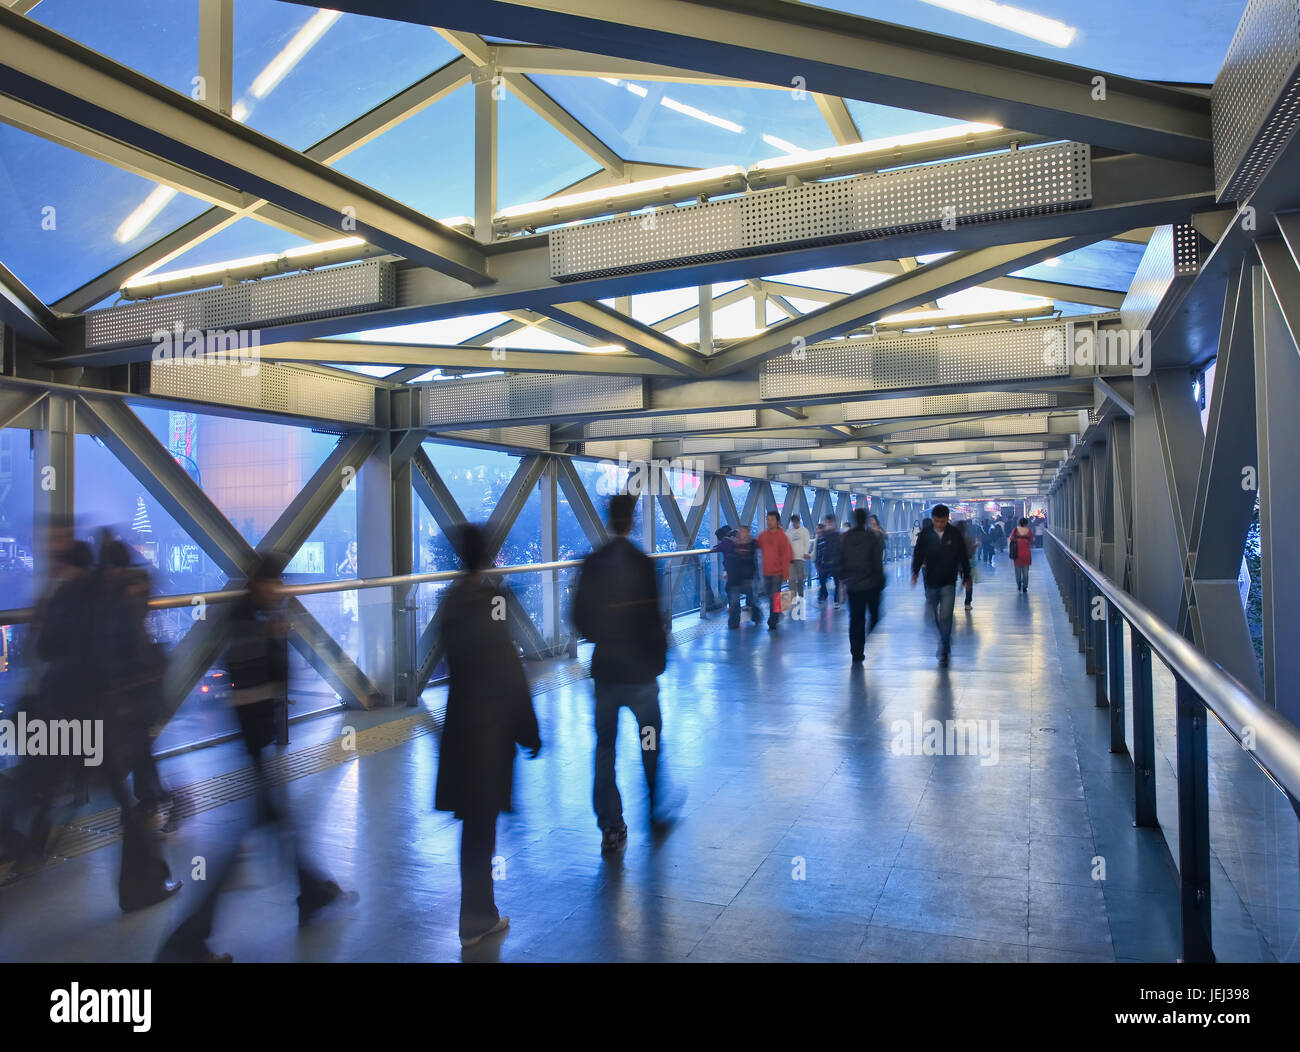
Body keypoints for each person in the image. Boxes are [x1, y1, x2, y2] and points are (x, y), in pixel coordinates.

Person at [158, 554, 352, 963]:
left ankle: (311, 889)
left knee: (277, 823)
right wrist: (278, 638)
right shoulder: (253, 621)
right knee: (246, 841)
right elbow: (265, 682)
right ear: (262, 583)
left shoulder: (252, 615)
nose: (279, 590)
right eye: (275, 582)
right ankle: (187, 940)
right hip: (251, 747)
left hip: (251, 746)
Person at [434, 524, 541, 947]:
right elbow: (508, 669)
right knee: (483, 824)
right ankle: (479, 916)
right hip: (490, 729)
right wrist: (527, 728)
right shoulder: (494, 599)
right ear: (491, 556)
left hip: (460, 724)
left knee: (473, 825)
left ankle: (475, 914)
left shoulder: (452, 599)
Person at [572, 494, 674, 852]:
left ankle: (611, 826)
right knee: (649, 739)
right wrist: (658, 659)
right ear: (631, 521)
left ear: (607, 520)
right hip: (641, 675)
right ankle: (653, 809)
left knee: (605, 749)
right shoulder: (642, 563)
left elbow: (578, 616)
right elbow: (654, 617)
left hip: (607, 675)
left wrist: (602, 637)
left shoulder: (592, 563)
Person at [911, 504, 971, 668]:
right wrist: (915, 572)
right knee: (933, 617)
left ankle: (944, 648)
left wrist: (966, 575)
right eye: (937, 521)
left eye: (942, 521)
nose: (939, 524)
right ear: (933, 520)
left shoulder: (954, 534)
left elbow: (962, 555)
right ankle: (945, 638)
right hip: (931, 582)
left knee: (946, 616)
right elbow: (918, 553)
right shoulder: (926, 534)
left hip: (948, 582)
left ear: (947, 519)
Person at [840, 508, 885, 663]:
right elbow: (877, 561)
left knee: (855, 618)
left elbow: (841, 559)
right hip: (871, 584)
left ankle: (856, 651)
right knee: (874, 615)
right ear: (865, 520)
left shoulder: (846, 538)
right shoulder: (871, 537)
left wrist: (843, 578)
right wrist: (880, 581)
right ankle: (865, 636)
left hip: (853, 585)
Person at [712, 524, 762, 629]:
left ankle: (744, 619)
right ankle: (737, 621)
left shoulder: (750, 543)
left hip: (744, 577)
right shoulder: (734, 543)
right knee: (738, 601)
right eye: (741, 532)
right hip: (736, 577)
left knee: (745, 600)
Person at [755, 511, 793, 630]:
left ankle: (773, 620)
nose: (769, 522)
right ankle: (777, 612)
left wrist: (785, 573)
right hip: (766, 571)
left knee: (774, 596)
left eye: (771, 519)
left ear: (777, 521)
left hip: (777, 572)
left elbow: (787, 555)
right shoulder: (763, 536)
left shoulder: (782, 537)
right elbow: (756, 545)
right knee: (769, 595)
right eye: (768, 519)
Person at [815, 514, 842, 608]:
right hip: (824, 563)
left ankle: (836, 601)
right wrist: (818, 561)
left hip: (835, 563)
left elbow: (841, 549)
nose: (828, 524)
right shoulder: (822, 535)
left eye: (829, 522)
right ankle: (825, 595)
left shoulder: (837, 536)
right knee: (822, 581)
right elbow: (819, 548)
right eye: (827, 522)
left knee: (836, 583)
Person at [785, 514, 812, 604]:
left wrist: (805, 552)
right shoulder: (789, 532)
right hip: (791, 558)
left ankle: (800, 594)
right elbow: (787, 544)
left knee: (800, 577)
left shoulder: (804, 531)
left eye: (796, 522)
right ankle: (792, 596)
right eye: (793, 523)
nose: (794, 524)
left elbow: (807, 542)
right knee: (791, 578)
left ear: (799, 522)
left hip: (800, 557)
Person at [958, 520, 980, 610]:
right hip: (968, 563)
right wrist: (977, 544)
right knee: (969, 583)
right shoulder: (968, 538)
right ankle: (967, 603)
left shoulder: (952, 538)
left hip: (956, 564)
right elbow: (971, 552)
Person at [1010, 517, 1034, 592]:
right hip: (1026, 554)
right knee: (1025, 572)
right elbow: (1032, 541)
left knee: (1018, 572)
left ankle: (1019, 583)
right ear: (1026, 523)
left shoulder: (1015, 530)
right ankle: (1025, 586)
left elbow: (1011, 538)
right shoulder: (1029, 531)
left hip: (1017, 554)